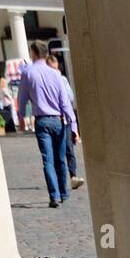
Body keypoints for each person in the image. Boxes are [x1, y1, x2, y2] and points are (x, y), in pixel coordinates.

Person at [16, 38, 77, 208]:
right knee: (60, 159)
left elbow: (22, 98)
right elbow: (65, 102)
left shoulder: (28, 73)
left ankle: (54, 196)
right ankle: (64, 193)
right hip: (58, 120)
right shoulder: (56, 74)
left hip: (42, 121)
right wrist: (73, 125)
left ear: (33, 53)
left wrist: (21, 117)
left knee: (47, 160)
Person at [47, 50, 86, 191]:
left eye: (56, 68)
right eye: (52, 69)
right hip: (55, 119)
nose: (55, 71)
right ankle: (60, 179)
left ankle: (73, 175)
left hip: (66, 119)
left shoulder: (62, 79)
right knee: (57, 151)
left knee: (69, 149)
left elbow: (70, 97)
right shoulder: (47, 82)